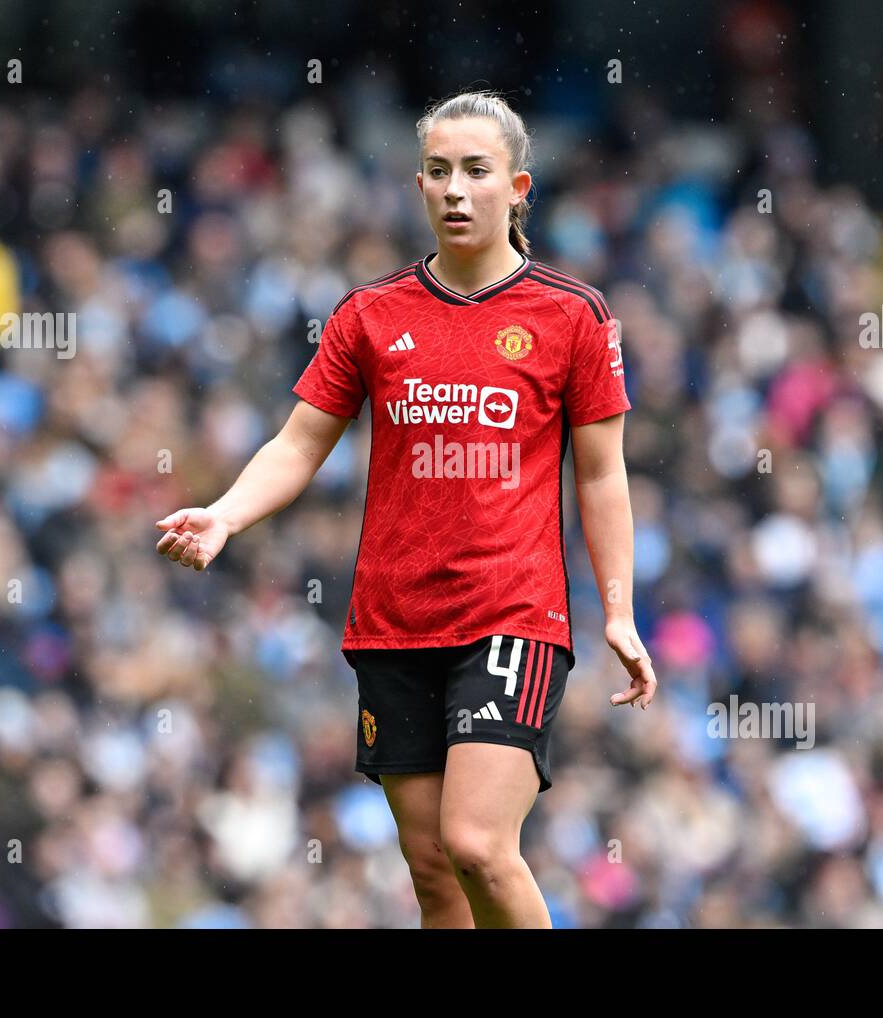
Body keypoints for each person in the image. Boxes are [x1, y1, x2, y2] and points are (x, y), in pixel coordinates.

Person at [154, 89, 656, 928]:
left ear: (519, 188)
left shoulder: (572, 316)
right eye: (437, 171)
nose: (455, 189)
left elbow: (602, 476)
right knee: (431, 870)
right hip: (394, 618)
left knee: (477, 845)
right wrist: (226, 515)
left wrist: (619, 610)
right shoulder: (370, 315)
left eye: (476, 171)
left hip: (513, 615)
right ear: (417, 185)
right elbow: (299, 442)